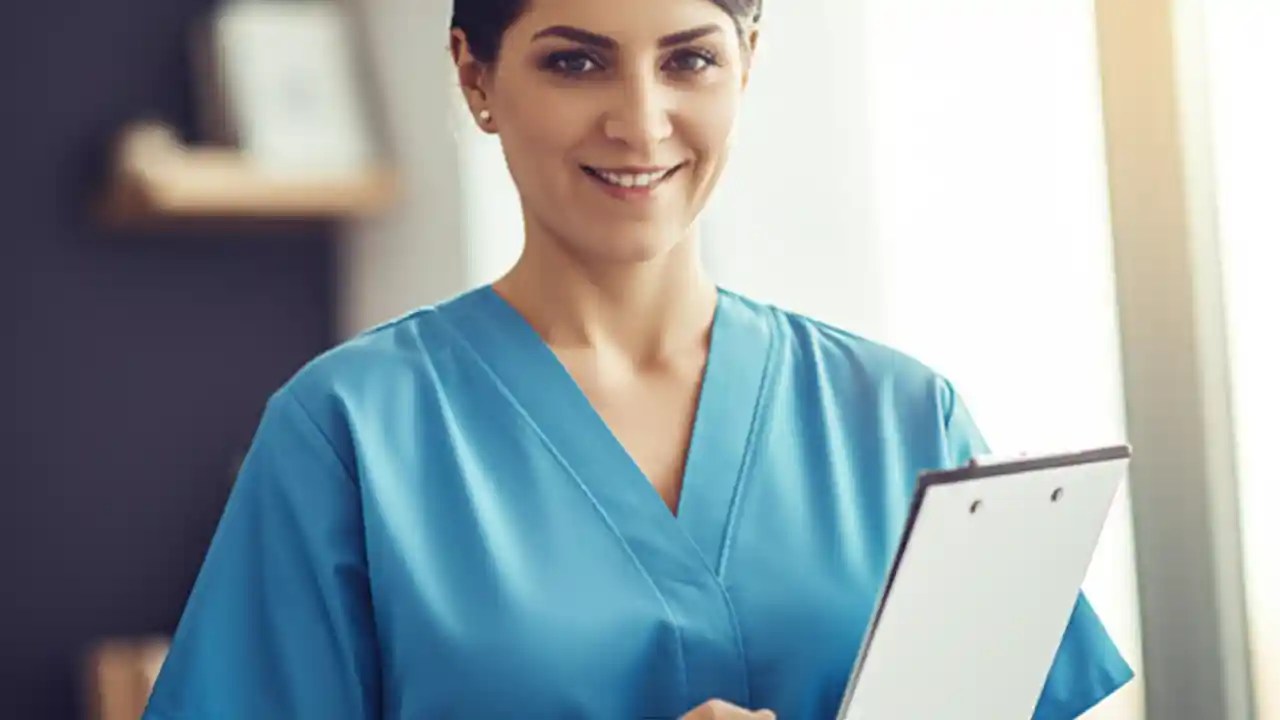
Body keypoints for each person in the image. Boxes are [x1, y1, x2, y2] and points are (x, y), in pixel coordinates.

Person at [143, 0, 1133, 717]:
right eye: (574, 63)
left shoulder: (900, 413)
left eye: (688, 60)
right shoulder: (350, 431)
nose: (640, 121)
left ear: (747, 60)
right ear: (475, 79)